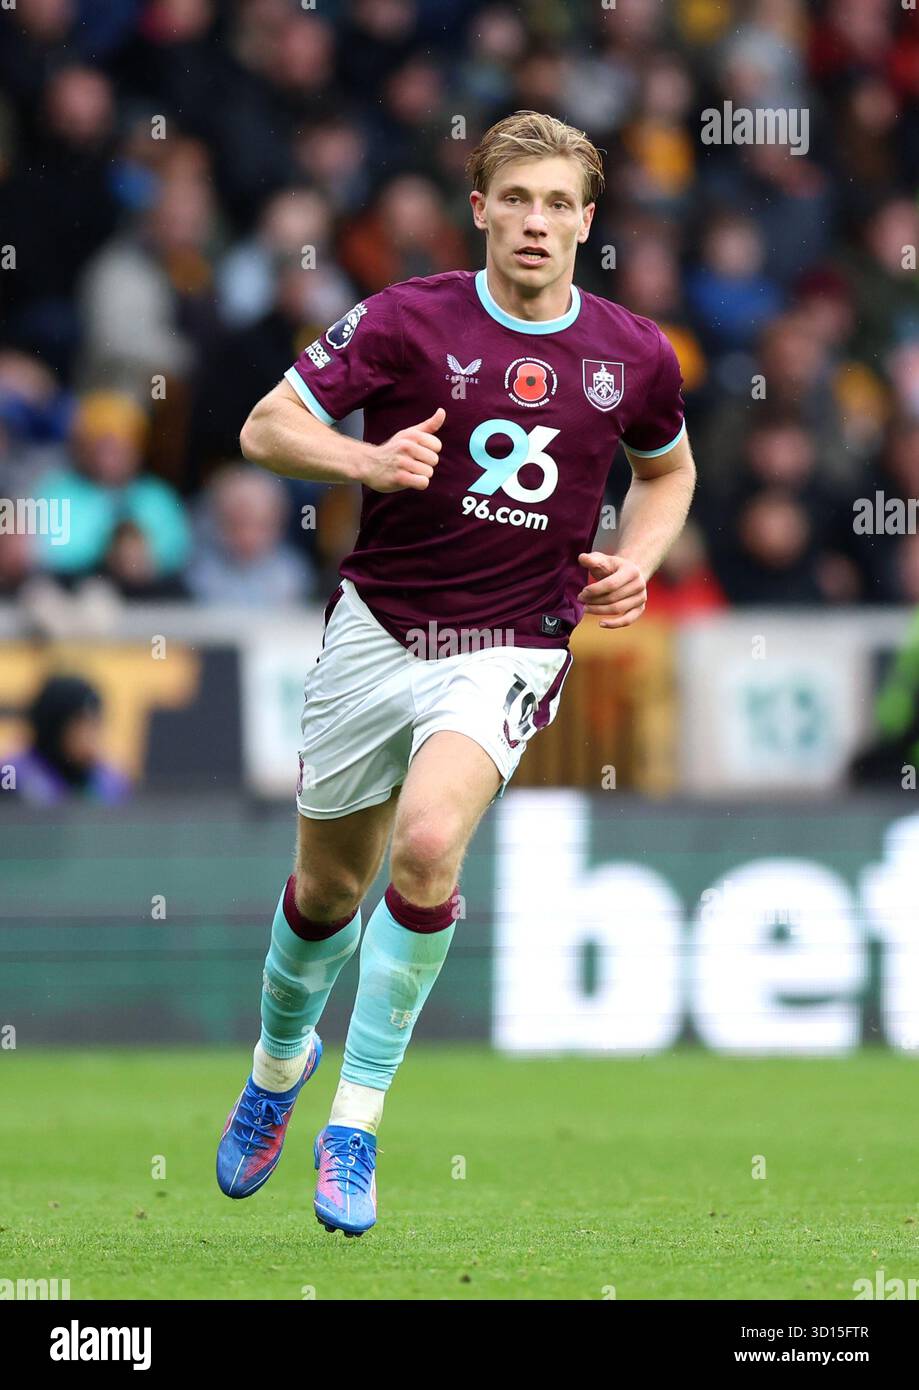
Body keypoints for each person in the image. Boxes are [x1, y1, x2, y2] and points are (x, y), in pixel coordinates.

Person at [218, 110, 696, 1234]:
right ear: (479, 209)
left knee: (428, 844)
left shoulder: (633, 353)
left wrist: (636, 558)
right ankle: (277, 1072)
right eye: (515, 200)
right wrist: (363, 457)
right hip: (379, 630)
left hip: (513, 643)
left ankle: (356, 1122)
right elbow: (264, 426)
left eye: (559, 203)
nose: (537, 222)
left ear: (589, 219)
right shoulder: (406, 319)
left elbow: (667, 474)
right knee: (329, 889)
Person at [5, 674, 130, 806]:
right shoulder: (12, 778)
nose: (93, 736)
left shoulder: (110, 783)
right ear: (55, 728)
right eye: (83, 724)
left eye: (97, 724)